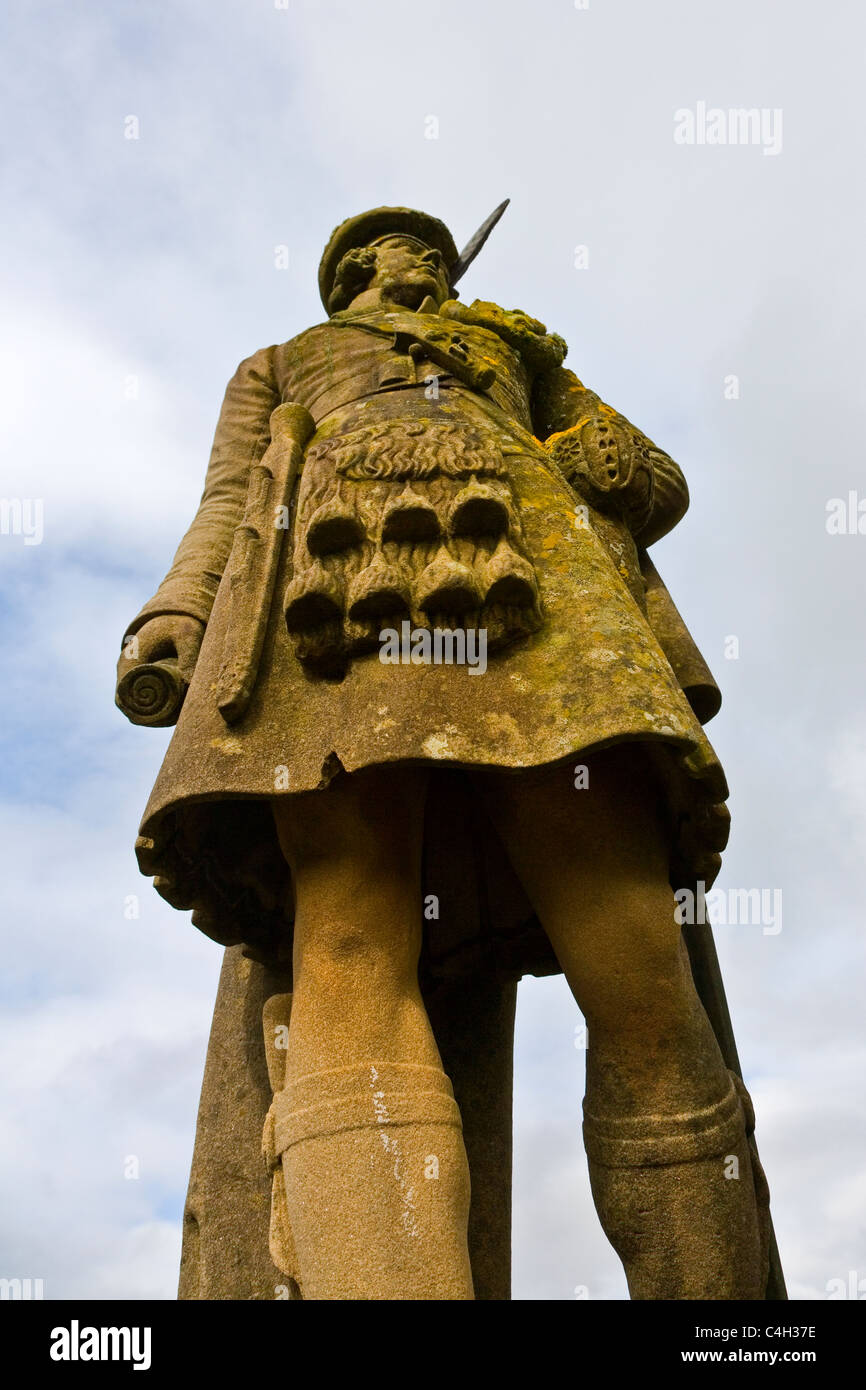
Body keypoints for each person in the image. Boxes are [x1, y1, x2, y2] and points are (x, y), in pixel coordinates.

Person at [118, 206, 770, 1299]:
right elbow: (226, 500)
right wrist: (179, 608)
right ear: (348, 276)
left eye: (425, 247)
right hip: (328, 602)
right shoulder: (282, 362)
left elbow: (653, 487)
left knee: (636, 965)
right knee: (345, 937)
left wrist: (556, 420)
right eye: (383, 249)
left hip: (538, 592)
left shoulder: (511, 351)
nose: (410, 258)